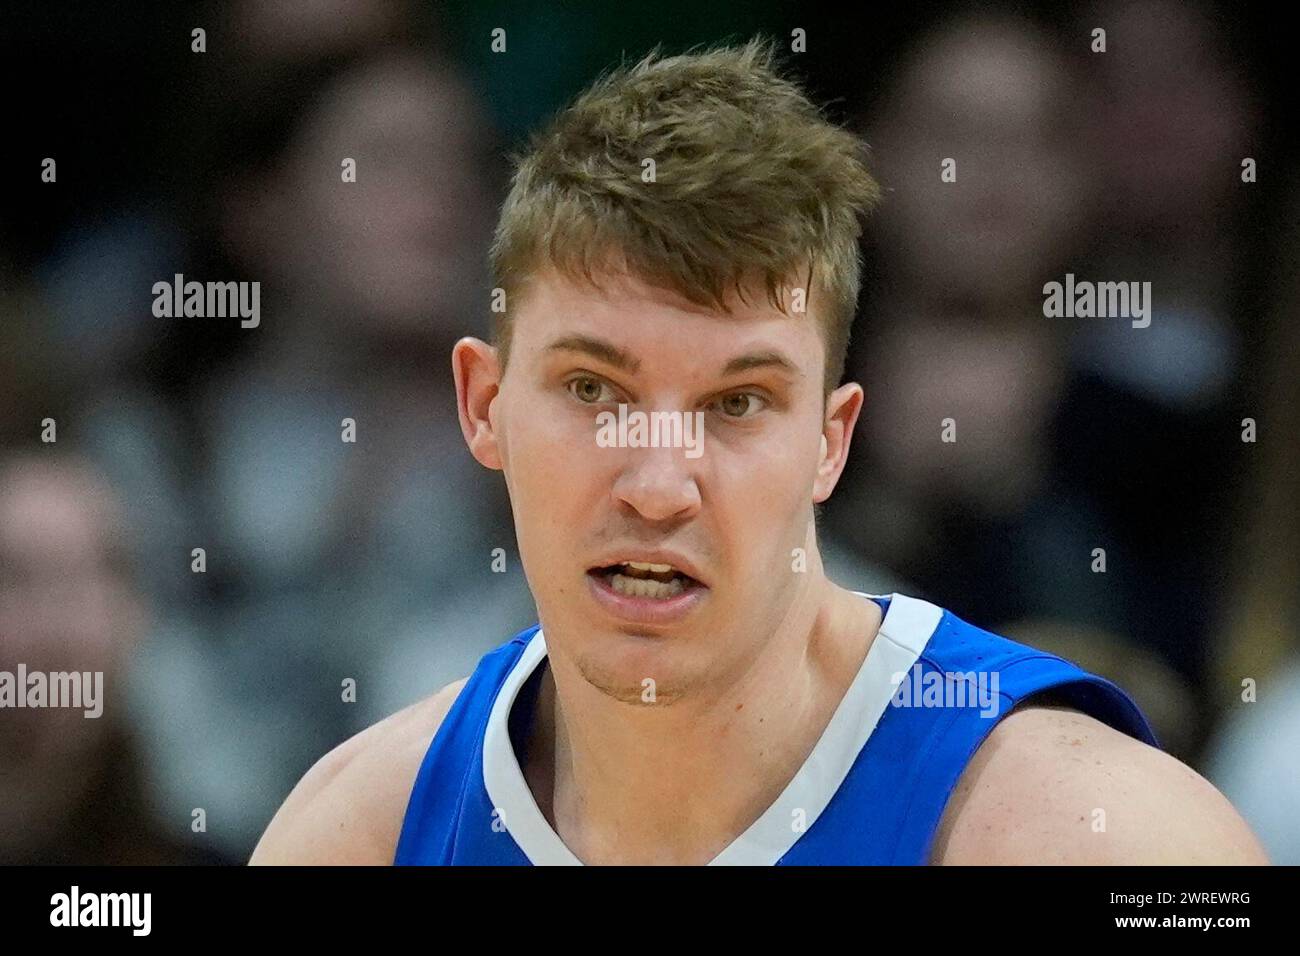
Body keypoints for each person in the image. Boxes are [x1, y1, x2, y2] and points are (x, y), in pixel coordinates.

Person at [250, 38, 1267, 865]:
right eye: (594, 389)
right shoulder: (358, 832)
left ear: (831, 442)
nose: (656, 486)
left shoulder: (1087, 834)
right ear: (482, 404)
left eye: (736, 402)